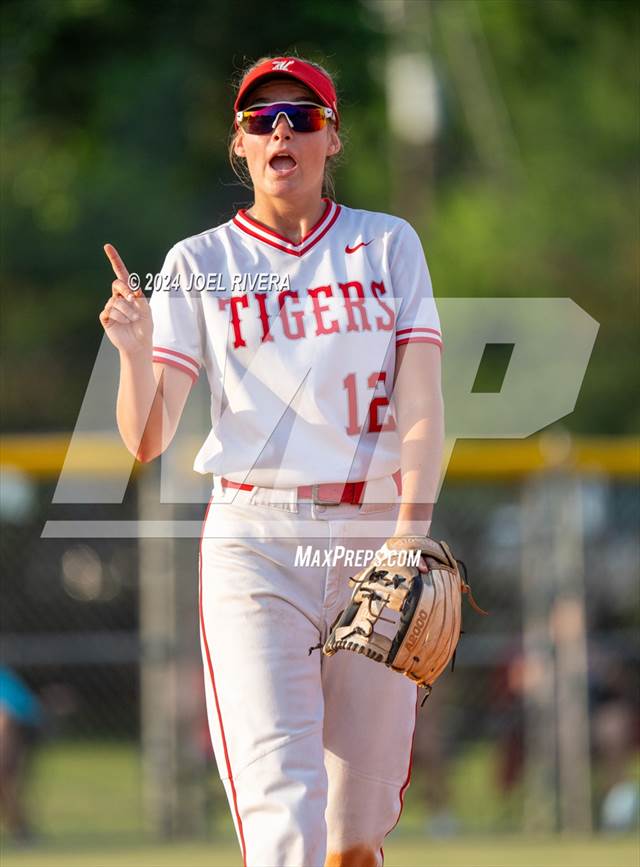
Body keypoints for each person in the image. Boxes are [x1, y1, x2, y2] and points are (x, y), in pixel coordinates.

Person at [100, 55, 444, 867]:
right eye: (261, 118)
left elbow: (424, 409)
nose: (281, 128)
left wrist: (407, 536)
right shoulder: (197, 264)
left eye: (302, 114)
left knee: (353, 834)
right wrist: (135, 351)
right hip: (255, 539)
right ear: (241, 146)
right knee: (283, 819)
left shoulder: (387, 245)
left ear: (333, 139)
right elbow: (146, 439)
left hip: (372, 537)